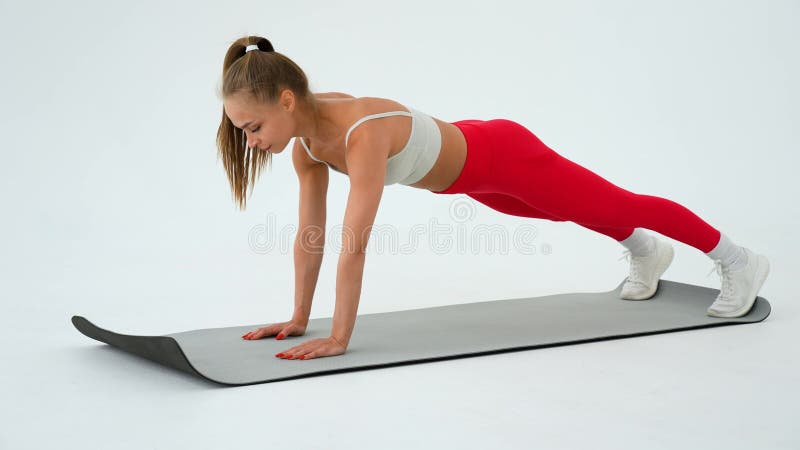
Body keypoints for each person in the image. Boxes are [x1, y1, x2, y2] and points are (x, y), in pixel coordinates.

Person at [216, 36, 770, 361]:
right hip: (471, 180)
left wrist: (340, 337)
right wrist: (298, 317)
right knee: (568, 210)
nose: (251, 140)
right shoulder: (307, 147)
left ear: (287, 100)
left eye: (252, 126)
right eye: (242, 130)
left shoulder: (363, 133)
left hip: (503, 153)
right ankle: (647, 252)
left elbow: (354, 244)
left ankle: (738, 260)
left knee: (613, 203)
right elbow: (309, 237)